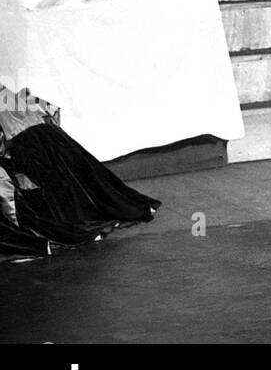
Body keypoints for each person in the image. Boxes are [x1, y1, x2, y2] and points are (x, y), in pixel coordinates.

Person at [1, 82, 158, 260]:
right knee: (65, 170)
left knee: (56, 173)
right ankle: (105, 208)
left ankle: (77, 220)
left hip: (19, 127)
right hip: (23, 121)